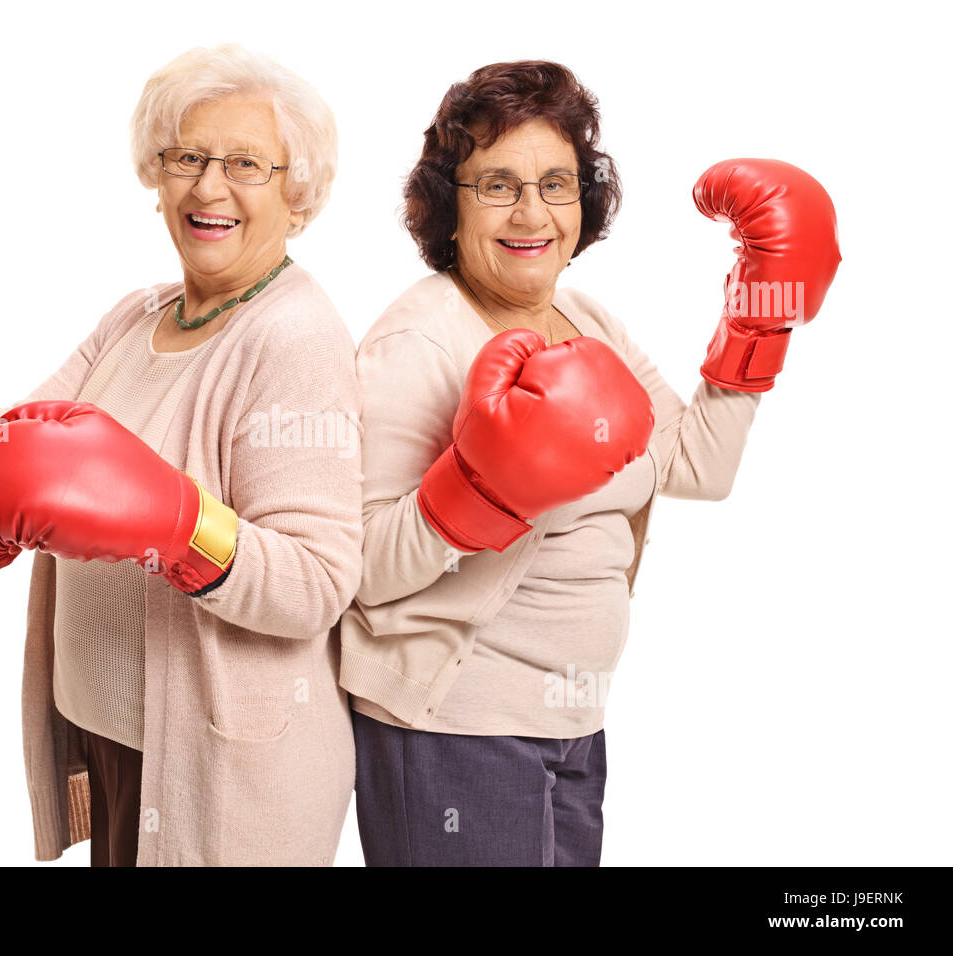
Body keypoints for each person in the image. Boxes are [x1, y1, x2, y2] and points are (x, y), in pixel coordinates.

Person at [0, 43, 361, 866]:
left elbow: (316, 584)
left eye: (247, 163)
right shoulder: (138, 314)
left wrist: (180, 525)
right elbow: (18, 454)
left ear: (300, 193)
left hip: (219, 771)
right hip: (114, 743)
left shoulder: (295, 335)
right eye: (186, 157)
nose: (209, 187)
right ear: (156, 175)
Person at [339, 60, 840, 866]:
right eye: (496, 184)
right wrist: (482, 489)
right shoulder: (418, 341)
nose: (532, 211)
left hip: (574, 724)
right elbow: (357, 567)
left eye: (556, 183)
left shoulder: (587, 319)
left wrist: (758, 319)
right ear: (449, 204)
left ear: (587, 198)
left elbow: (696, 465)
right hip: (454, 727)